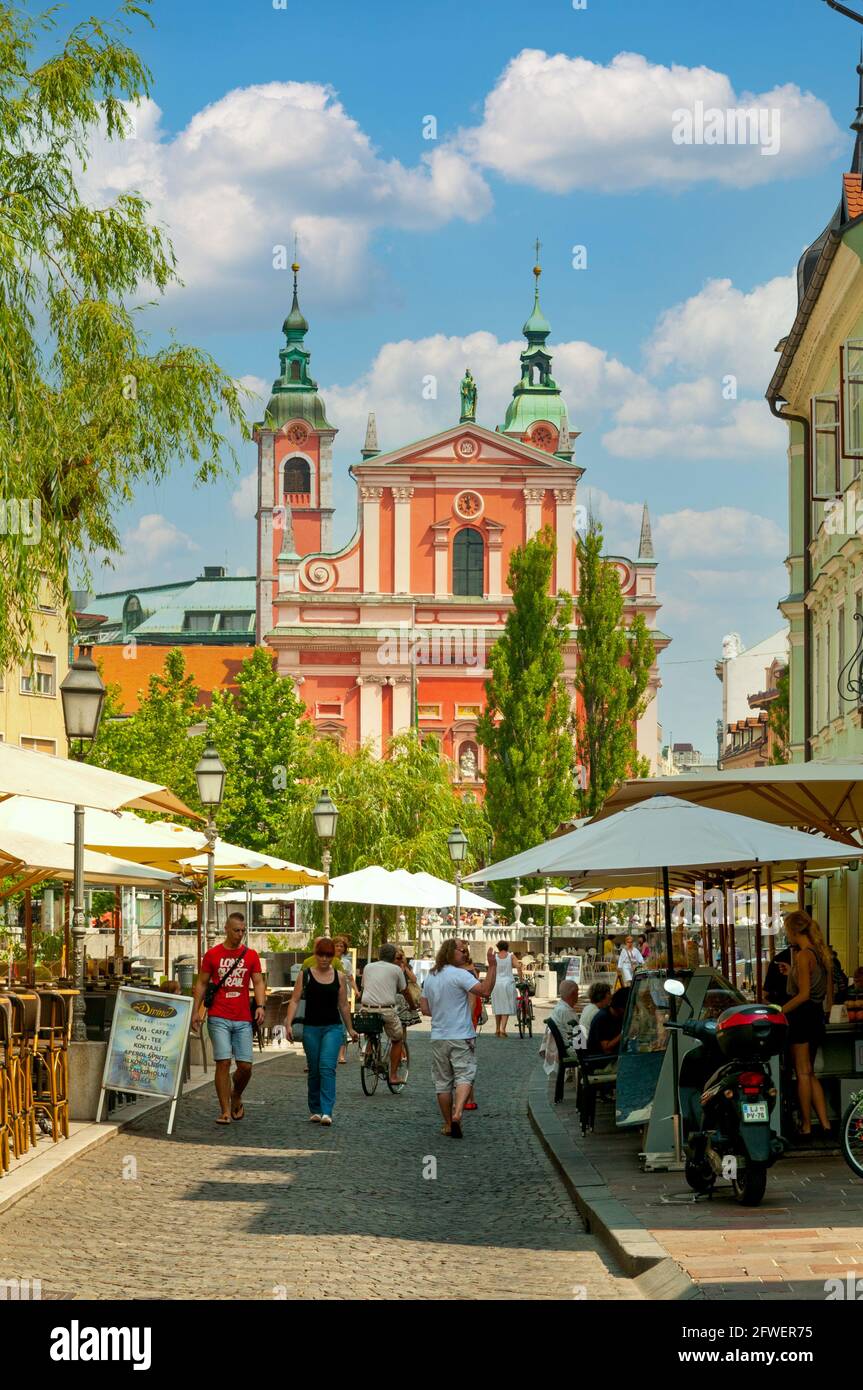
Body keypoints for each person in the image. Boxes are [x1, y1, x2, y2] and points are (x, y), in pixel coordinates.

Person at [192, 912, 265, 1126]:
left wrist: (260, 1006)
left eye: (243, 931)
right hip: (218, 1015)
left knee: (245, 1067)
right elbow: (201, 984)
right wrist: (196, 1011)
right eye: (236, 930)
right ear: (226, 928)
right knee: (223, 1062)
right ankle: (224, 1111)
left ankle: (237, 1094)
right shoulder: (213, 954)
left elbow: (258, 982)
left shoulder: (250, 955)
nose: (240, 934)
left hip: (243, 1016)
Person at [420, 939, 497, 1138]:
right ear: (449, 952)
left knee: (442, 1082)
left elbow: (425, 1009)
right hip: (461, 1034)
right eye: (461, 950)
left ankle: (447, 1123)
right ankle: (458, 1112)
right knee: (464, 1075)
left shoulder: (430, 977)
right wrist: (493, 967)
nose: (465, 953)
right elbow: (485, 991)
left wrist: (441, 1011)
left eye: (465, 950)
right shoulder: (461, 975)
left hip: (439, 1036)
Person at [286, 937, 357, 1126]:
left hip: (332, 1027)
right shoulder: (306, 974)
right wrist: (288, 1023)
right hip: (311, 1027)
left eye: (328, 955)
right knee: (314, 1069)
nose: (324, 959)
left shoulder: (339, 976)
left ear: (333, 957)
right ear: (315, 955)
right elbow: (294, 999)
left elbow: (343, 1004)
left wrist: (350, 1028)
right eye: (321, 955)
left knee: (327, 1067)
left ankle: (327, 1111)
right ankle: (315, 1109)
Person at [781, 910, 834, 1140]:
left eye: (786, 931)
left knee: (801, 1073)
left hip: (801, 1018)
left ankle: (806, 1125)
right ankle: (825, 1124)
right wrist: (790, 973)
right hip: (816, 1016)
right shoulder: (821, 954)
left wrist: (780, 1010)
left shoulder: (803, 956)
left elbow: (803, 994)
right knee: (810, 1073)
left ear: (794, 931)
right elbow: (822, 991)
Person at [359, 943, 411, 1085]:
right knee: (397, 1039)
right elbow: (405, 990)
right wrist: (412, 1005)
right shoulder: (396, 969)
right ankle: (393, 1076)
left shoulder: (368, 967)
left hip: (366, 1008)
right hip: (386, 1009)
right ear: (394, 956)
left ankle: (369, 1052)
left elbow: (363, 987)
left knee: (370, 1030)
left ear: (379, 955)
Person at [541, 980, 582, 1074]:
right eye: (577, 992)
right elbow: (579, 1041)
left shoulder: (560, 1007)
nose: (578, 995)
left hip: (567, 1047)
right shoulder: (566, 1011)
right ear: (573, 994)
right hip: (572, 1050)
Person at [586, 988, 628, 1061]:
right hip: (602, 1062)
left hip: (612, 1057)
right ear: (622, 1007)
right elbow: (607, 1048)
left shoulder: (616, 1015)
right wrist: (625, 1032)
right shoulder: (603, 1018)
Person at [491, 939, 522, 1037]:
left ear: (498, 947)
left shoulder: (495, 957)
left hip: (496, 983)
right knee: (506, 1006)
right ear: (507, 947)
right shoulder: (511, 956)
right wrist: (521, 979)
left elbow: (491, 971)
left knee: (498, 1005)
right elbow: (518, 967)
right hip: (508, 983)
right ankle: (502, 1029)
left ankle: (497, 1029)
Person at [333, 935, 355, 1064]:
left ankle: (341, 1054)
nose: (339, 948)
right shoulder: (328, 960)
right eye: (337, 945)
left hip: (342, 996)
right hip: (330, 997)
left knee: (342, 1025)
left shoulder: (346, 962)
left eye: (341, 946)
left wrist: (356, 990)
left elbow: (351, 978)